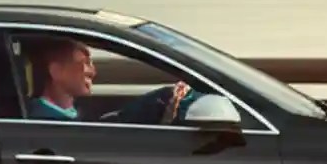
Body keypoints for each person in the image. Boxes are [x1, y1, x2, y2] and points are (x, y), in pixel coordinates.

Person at [24, 36, 199, 124]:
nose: (93, 72)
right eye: (84, 64)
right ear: (56, 71)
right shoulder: (46, 121)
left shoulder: (70, 113)